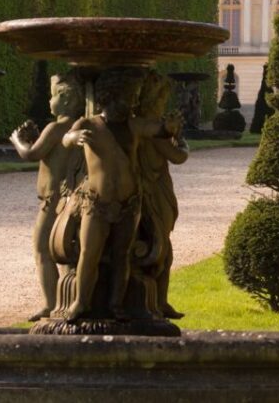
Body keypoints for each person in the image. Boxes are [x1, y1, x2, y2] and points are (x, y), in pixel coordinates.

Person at [62, 68, 181, 322]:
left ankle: (117, 303)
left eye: (135, 96)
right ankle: (81, 302)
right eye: (128, 96)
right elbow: (65, 138)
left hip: (129, 204)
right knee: (88, 253)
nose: (132, 102)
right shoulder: (88, 124)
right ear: (109, 96)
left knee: (122, 256)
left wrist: (169, 128)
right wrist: (73, 137)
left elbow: (158, 130)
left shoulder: (134, 125)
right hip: (97, 203)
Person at [10, 73, 85, 322]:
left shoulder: (55, 128)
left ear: (65, 99)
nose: (48, 102)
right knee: (64, 250)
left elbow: (32, 154)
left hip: (50, 200)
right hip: (66, 198)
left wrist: (18, 141)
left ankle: (51, 303)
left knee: (43, 249)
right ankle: (68, 300)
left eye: (53, 96)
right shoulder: (76, 127)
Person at [136, 72, 189, 319]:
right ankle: (158, 301)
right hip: (156, 193)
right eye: (161, 99)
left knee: (158, 246)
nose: (163, 104)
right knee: (162, 248)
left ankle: (157, 301)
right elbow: (178, 157)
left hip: (145, 191)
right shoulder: (154, 130)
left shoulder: (138, 126)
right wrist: (180, 139)